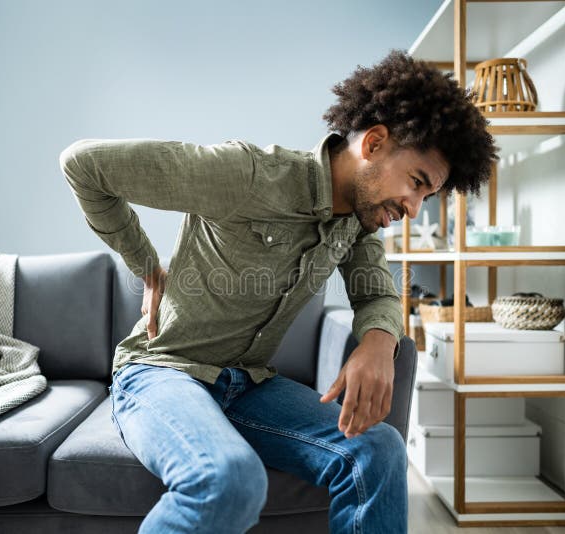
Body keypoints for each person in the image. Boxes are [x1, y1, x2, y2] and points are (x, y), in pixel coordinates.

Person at [59, 49, 496, 534]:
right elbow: (85, 165)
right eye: (416, 183)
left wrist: (379, 342)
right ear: (373, 143)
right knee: (229, 478)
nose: (415, 208)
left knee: (380, 449)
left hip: (249, 386)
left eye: (427, 197)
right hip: (163, 373)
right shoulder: (246, 174)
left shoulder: (357, 223)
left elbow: (377, 293)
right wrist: (146, 266)